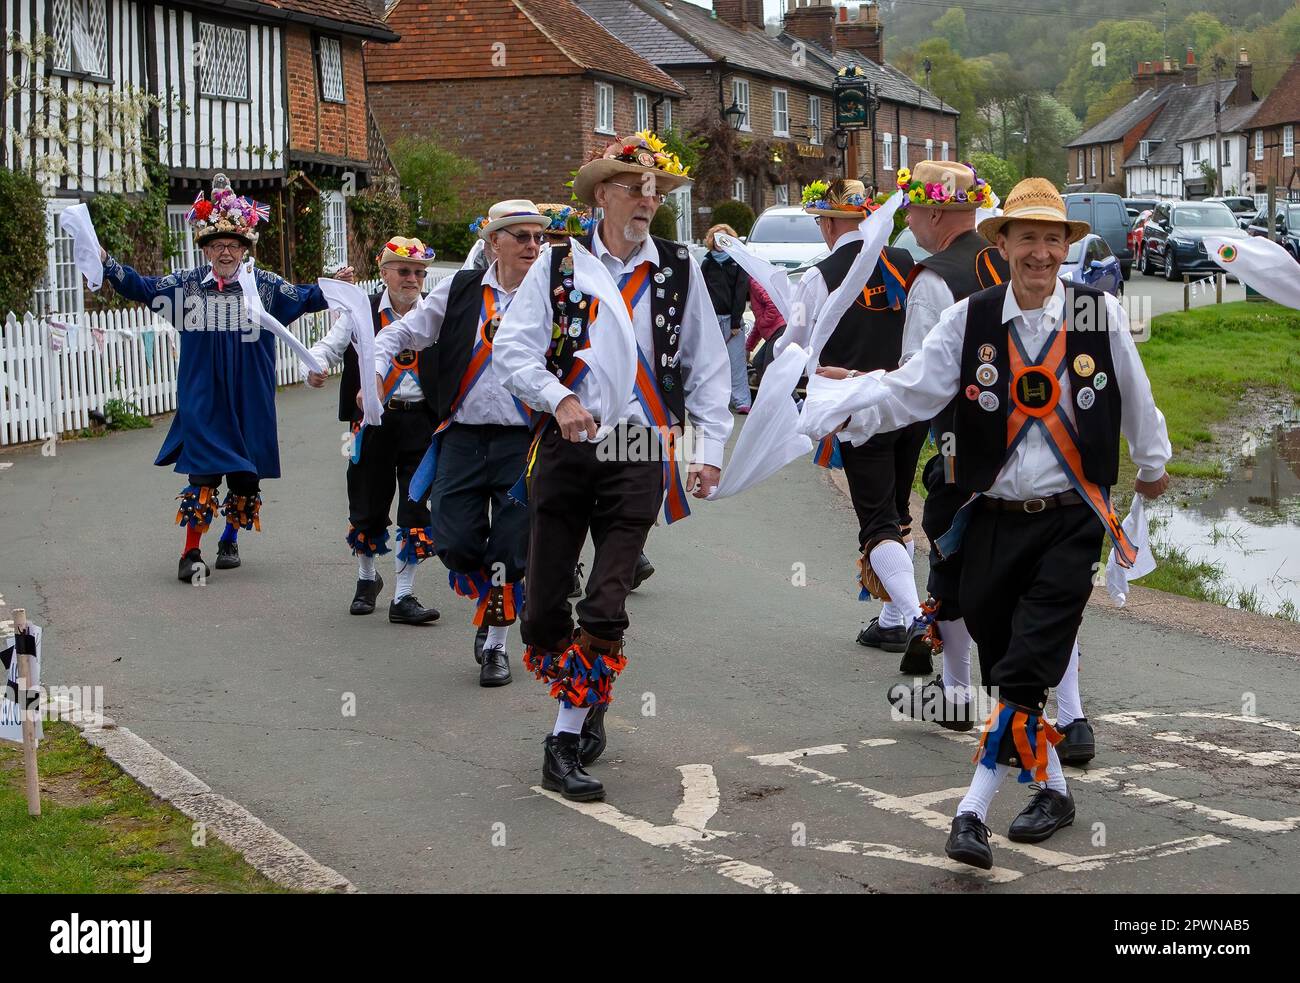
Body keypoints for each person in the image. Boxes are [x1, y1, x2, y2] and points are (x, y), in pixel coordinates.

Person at [819, 178, 1171, 869]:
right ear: (1002, 242)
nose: (1041, 252)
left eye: (1053, 239)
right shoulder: (972, 319)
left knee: (1023, 666)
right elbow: (913, 388)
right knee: (1000, 651)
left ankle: (971, 810)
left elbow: (1136, 396)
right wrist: (845, 399)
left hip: (1072, 520)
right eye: (1028, 238)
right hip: (992, 518)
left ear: (1066, 249)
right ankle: (1056, 790)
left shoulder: (1097, 314)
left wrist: (1153, 465)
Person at [494, 131, 731, 802]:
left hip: (638, 448)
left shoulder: (680, 270)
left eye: (655, 192)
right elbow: (512, 349)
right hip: (568, 444)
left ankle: (563, 738)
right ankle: (583, 683)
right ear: (603, 194)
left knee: (607, 600)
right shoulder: (558, 264)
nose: (647, 201)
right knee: (542, 613)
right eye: (634, 188)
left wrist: (707, 451)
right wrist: (559, 397)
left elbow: (709, 367)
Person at [99, 174, 354, 582]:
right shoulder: (184, 287)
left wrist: (335, 287)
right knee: (202, 474)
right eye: (216, 245)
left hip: (250, 396)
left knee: (246, 479)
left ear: (244, 249)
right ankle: (191, 553)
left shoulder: (266, 287)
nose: (225, 252)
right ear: (205, 249)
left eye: (233, 245)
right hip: (203, 396)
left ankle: (230, 538)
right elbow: (142, 288)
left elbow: (307, 298)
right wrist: (107, 263)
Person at [368, 201, 551, 686]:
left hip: (523, 441)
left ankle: (495, 642)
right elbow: (407, 331)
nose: (533, 246)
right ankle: (489, 604)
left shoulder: (557, 294)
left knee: (511, 547)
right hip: (463, 436)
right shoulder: (461, 288)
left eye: (537, 237)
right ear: (494, 243)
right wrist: (378, 362)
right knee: (454, 541)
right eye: (521, 237)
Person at [781, 178, 927, 657]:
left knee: (877, 521)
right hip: (907, 403)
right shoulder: (908, 264)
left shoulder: (819, 275)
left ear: (829, 224)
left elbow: (796, 347)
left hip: (858, 411)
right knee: (899, 511)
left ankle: (914, 620)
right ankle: (890, 619)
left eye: (822, 221)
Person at [305, 236, 440, 625]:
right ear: (383, 273)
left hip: (422, 424)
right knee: (365, 502)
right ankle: (367, 579)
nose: (412, 278)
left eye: (417, 272)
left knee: (416, 507)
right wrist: (312, 367)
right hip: (369, 425)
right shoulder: (359, 310)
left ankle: (403, 596)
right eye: (403, 270)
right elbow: (328, 348)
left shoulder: (435, 313)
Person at [701, 224, 752, 414]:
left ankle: (741, 401)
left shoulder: (737, 262)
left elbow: (740, 292)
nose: (719, 243)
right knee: (712, 363)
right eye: (715, 239)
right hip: (712, 319)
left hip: (733, 321)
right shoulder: (707, 263)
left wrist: (735, 322)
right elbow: (702, 292)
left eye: (723, 239)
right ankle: (715, 400)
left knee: (736, 361)